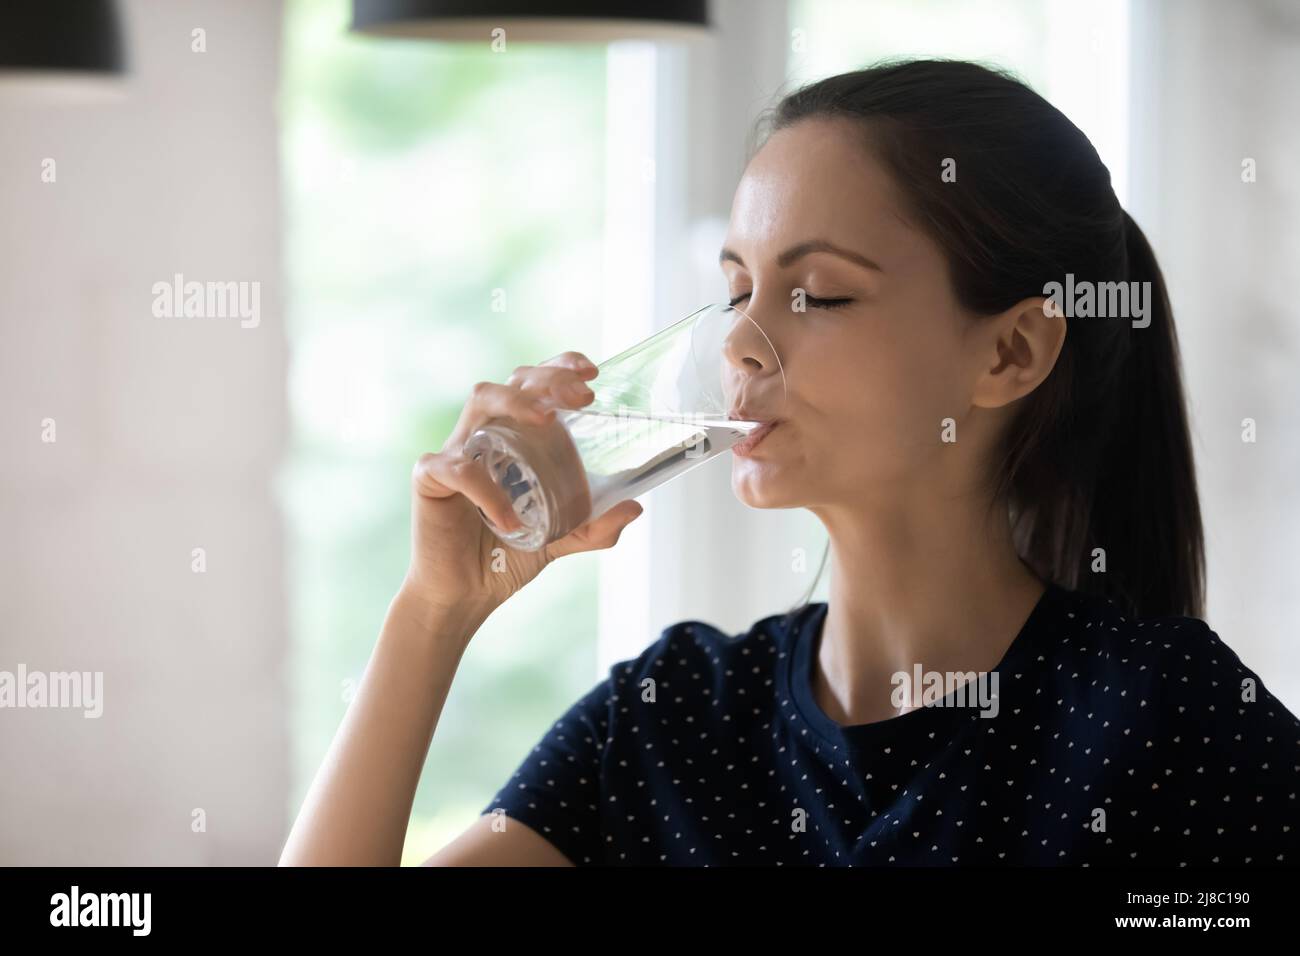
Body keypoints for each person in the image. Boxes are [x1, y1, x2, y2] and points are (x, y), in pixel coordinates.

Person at [279, 59, 1300, 867]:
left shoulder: (1163, 721)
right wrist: (433, 612)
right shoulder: (672, 721)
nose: (738, 343)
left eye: (817, 293)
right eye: (736, 288)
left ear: (1009, 351)